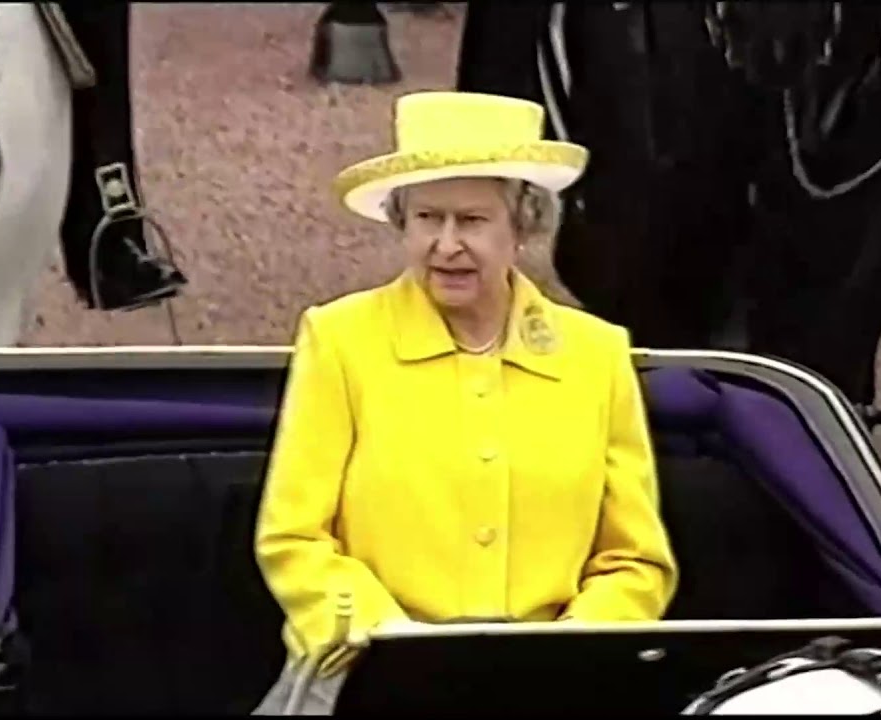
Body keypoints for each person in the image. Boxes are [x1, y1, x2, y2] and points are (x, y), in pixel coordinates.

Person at [252, 91, 679, 715]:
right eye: (427, 218)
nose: (446, 245)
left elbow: (634, 561)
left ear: (523, 226)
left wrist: (571, 654)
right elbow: (294, 539)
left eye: (472, 221)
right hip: (369, 674)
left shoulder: (595, 355)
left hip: (554, 685)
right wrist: (397, 647)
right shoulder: (341, 339)